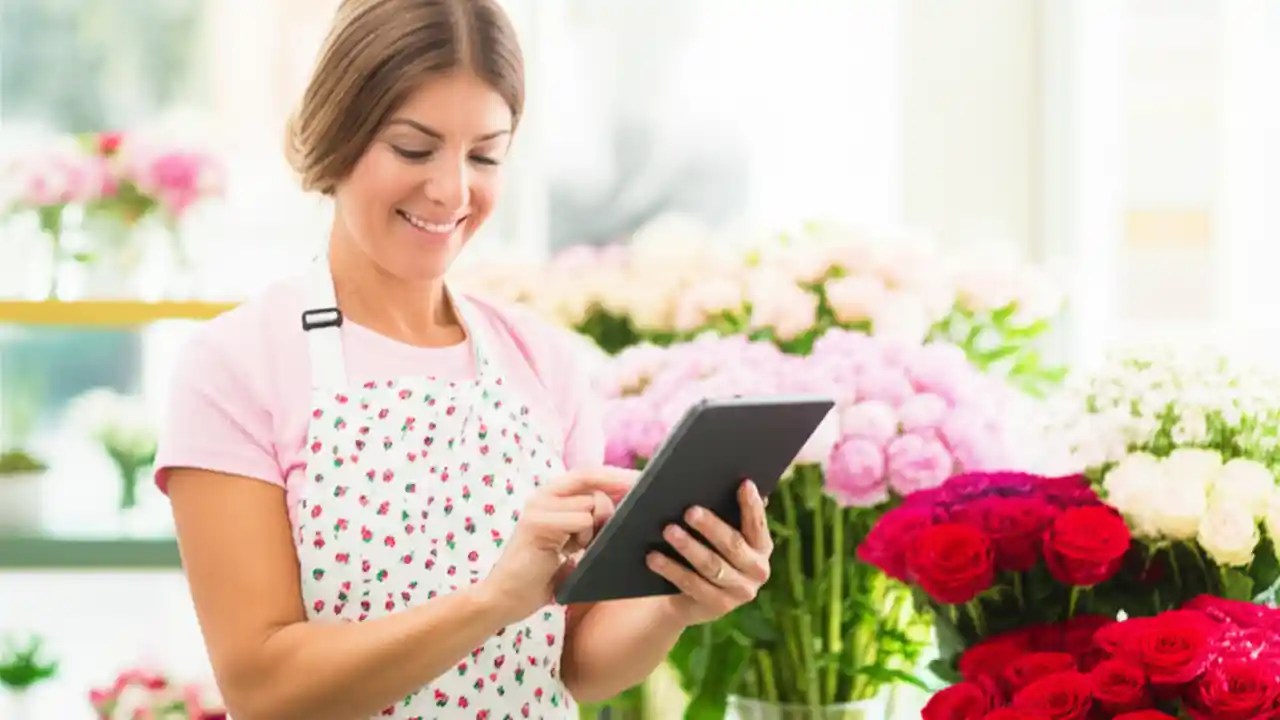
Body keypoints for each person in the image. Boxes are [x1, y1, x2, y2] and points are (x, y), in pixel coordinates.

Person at [154, 1, 774, 719]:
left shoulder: (541, 361)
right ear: (338, 132)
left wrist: (675, 600)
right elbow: (265, 690)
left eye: (484, 155)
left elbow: (569, 662)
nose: (451, 190)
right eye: (414, 149)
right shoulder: (237, 366)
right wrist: (491, 602)